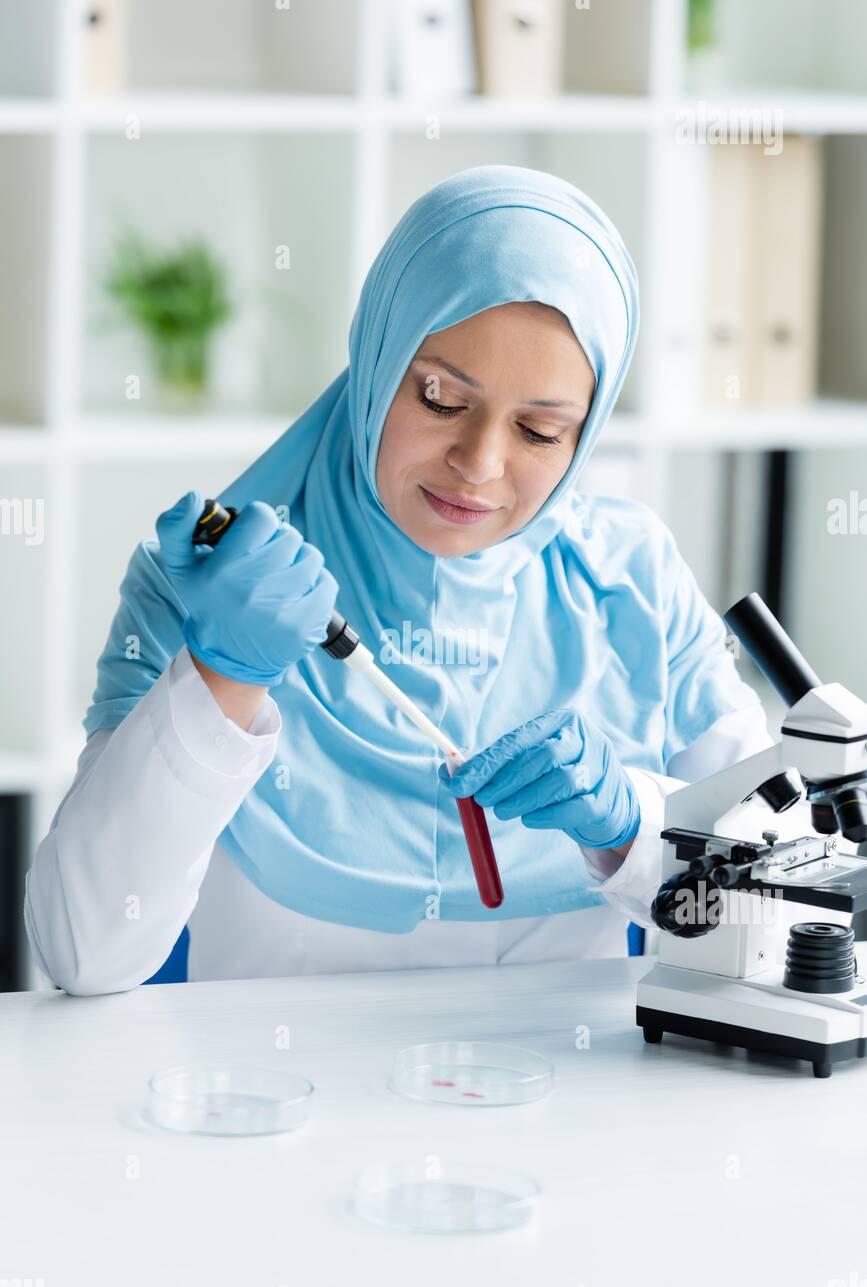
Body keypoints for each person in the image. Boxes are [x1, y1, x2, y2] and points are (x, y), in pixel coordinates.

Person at [25, 165, 778, 994]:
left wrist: (636, 825)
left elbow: (790, 920)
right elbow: (83, 954)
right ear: (379, 361)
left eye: (538, 429)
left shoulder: (631, 579)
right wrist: (221, 679)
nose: (478, 465)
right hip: (282, 1111)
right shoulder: (216, 585)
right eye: (439, 397)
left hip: (566, 1117)